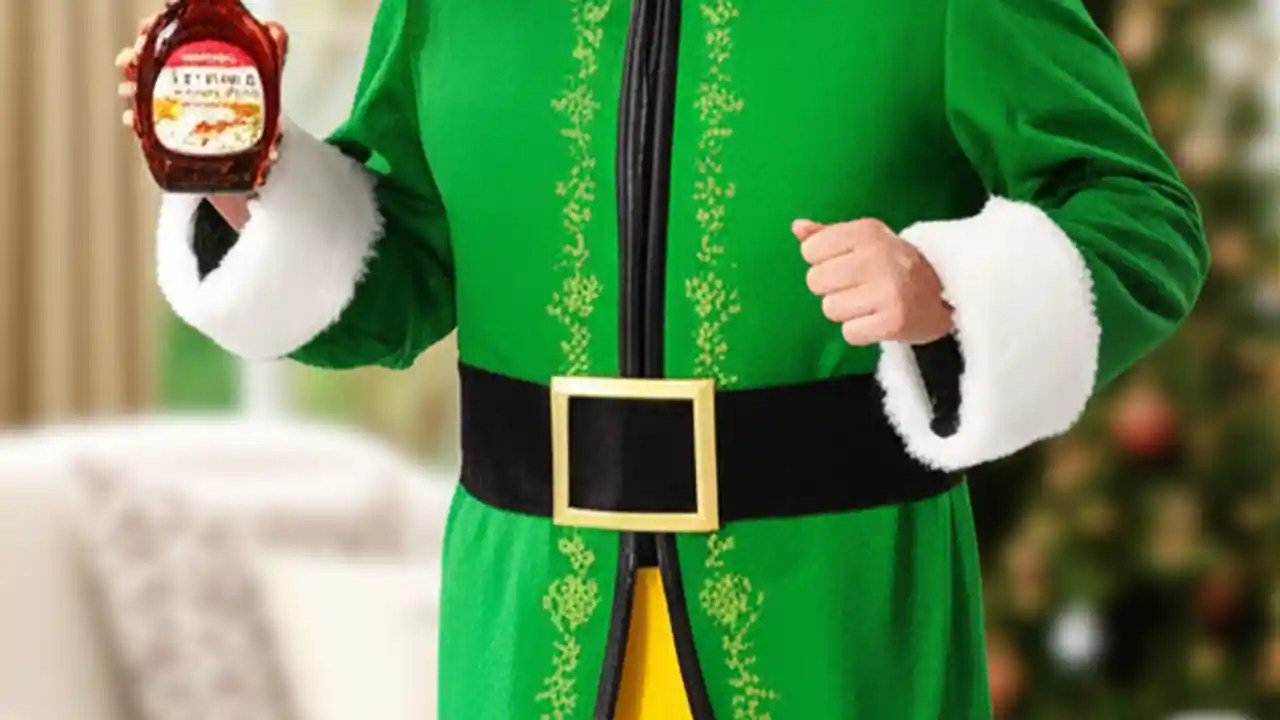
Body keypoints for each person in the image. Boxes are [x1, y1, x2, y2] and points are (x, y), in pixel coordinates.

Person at [116, 0, 1208, 717]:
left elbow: (1140, 216)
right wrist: (243, 188)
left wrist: (946, 289)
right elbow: (398, 270)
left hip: (828, 617)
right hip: (526, 625)